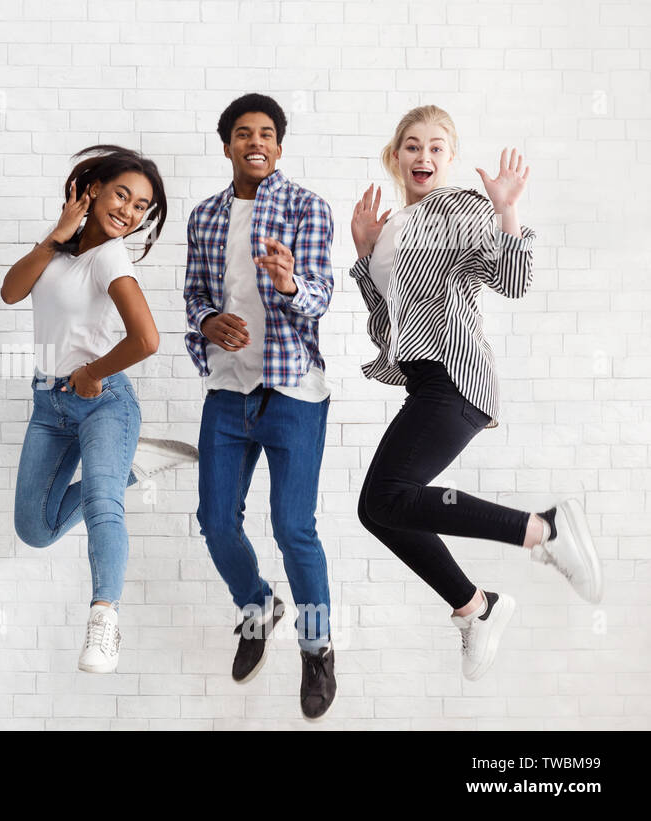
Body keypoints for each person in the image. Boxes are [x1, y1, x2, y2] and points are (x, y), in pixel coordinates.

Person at [350, 104, 602, 682]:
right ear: (396, 156)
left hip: (454, 375)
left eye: (437, 147)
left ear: (450, 158)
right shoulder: (392, 228)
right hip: (424, 380)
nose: (424, 156)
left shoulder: (460, 207)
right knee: (381, 508)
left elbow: (512, 280)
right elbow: (384, 324)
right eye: (413, 146)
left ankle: (543, 529)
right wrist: (366, 255)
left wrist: (508, 209)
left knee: (385, 499)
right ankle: (476, 606)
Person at [2, 145, 195, 674]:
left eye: (142, 207)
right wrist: (56, 234)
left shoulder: (112, 256)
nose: (130, 212)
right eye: (123, 196)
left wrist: (91, 373)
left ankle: (104, 620)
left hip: (102, 401)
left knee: (101, 504)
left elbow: (148, 339)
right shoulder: (62, 254)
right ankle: (137, 464)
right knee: (35, 529)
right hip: (49, 405)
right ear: (93, 191)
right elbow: (9, 291)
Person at [183, 93, 337, 719]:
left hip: (294, 391)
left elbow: (322, 296)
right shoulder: (204, 217)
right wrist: (209, 320)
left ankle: (318, 647)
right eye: (243, 132)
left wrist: (289, 283)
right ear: (227, 146)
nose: (255, 141)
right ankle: (257, 604)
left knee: (293, 528)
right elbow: (194, 293)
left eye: (267, 132)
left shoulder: (307, 208)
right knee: (216, 522)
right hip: (227, 390)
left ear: (279, 145)